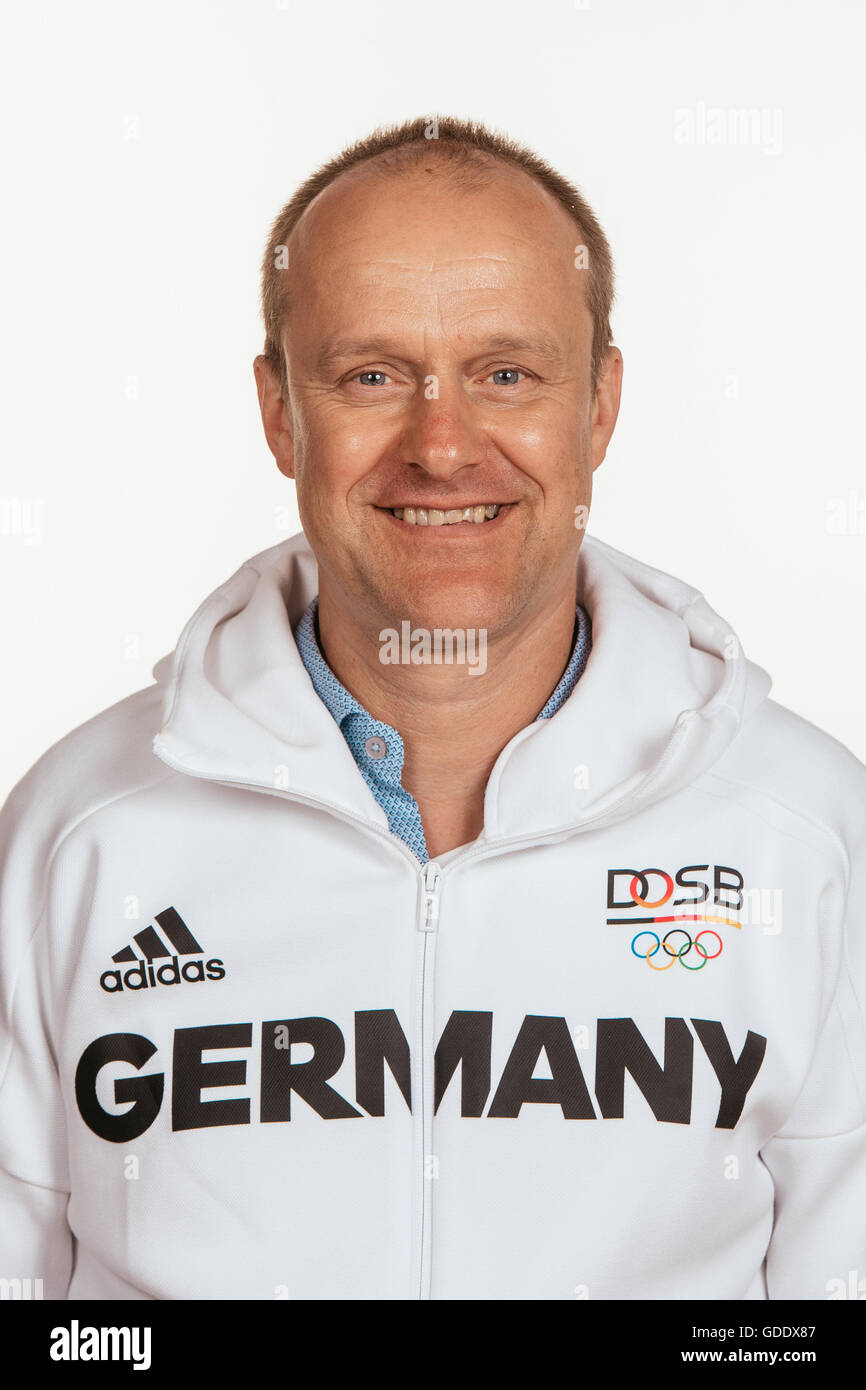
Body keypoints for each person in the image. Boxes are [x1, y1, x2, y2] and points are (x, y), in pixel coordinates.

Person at [1, 115, 864, 1302]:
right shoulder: (77, 829)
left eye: (504, 374)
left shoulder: (807, 833)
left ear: (598, 404)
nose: (442, 445)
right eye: (371, 377)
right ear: (278, 413)